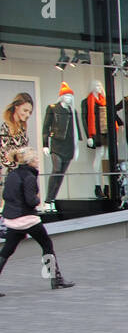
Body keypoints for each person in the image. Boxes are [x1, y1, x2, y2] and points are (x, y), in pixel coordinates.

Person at [0, 145, 75, 296]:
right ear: (29, 162)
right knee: (46, 244)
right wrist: (37, 200)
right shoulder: (29, 177)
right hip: (28, 219)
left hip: (12, 220)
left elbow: (6, 196)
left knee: (7, 251)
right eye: (35, 159)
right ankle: (55, 278)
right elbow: (30, 200)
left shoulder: (12, 175)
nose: (37, 161)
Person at [2, 92, 35, 184]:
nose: (28, 114)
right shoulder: (6, 128)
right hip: (11, 178)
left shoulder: (22, 128)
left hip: (22, 176)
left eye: (30, 112)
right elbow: (4, 158)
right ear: (16, 106)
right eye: (25, 110)